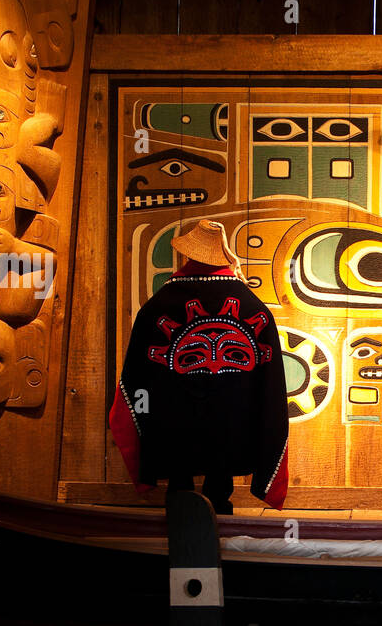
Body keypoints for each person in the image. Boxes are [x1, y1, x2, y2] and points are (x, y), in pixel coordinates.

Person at [109, 220, 288, 514]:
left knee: (178, 450)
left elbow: (139, 374)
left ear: (188, 256)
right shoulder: (254, 308)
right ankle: (219, 505)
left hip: (174, 414)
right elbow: (267, 381)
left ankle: (180, 503)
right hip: (232, 417)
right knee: (224, 454)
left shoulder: (157, 307)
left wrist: (146, 405)